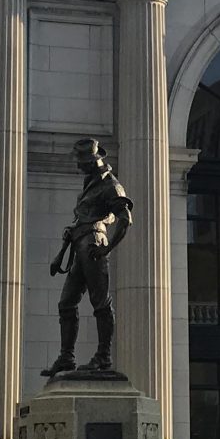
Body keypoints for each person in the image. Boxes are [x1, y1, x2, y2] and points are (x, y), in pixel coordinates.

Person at [40, 138, 133, 377]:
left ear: (92, 162)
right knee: (66, 303)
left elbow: (125, 219)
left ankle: (104, 357)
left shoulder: (111, 185)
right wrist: (61, 253)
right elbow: (83, 218)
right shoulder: (90, 183)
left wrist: (107, 248)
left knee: (100, 302)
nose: (78, 167)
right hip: (79, 243)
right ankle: (67, 357)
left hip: (93, 244)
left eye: (81, 162)